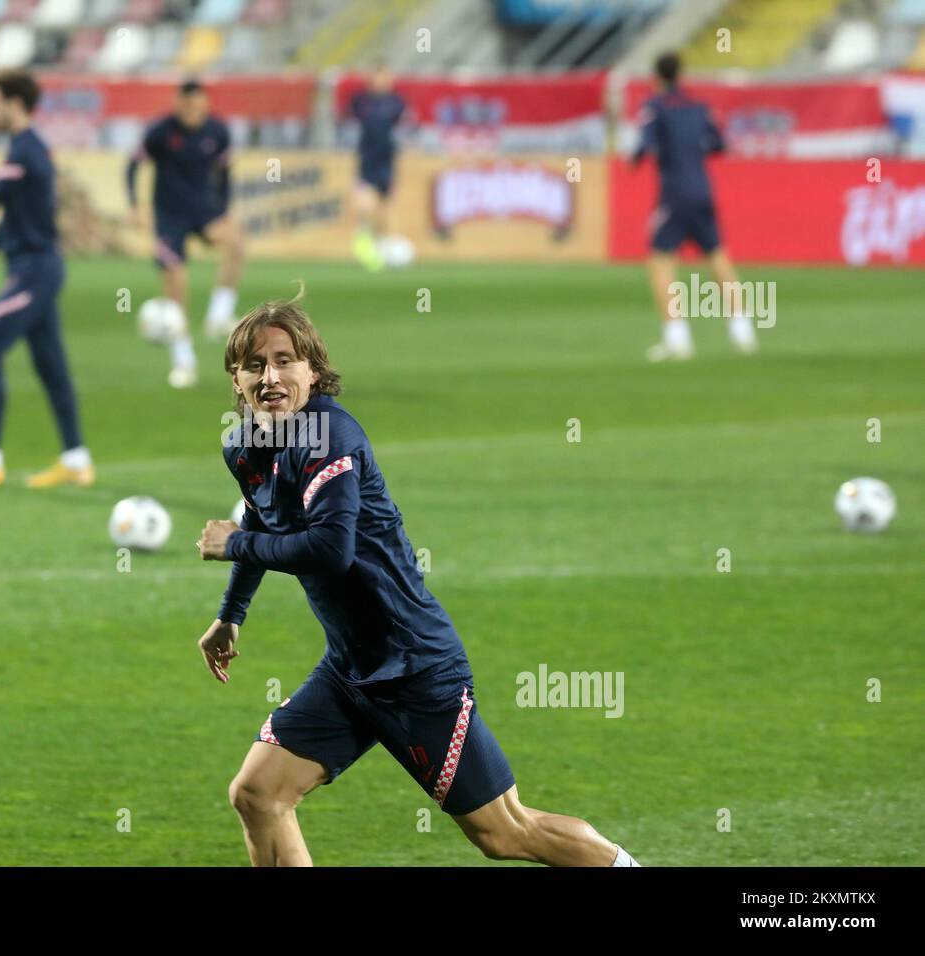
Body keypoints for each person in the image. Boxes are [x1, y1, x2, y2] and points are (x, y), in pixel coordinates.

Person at [194, 288, 640, 867]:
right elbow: (263, 513)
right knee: (257, 794)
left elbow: (332, 548)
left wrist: (234, 545)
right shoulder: (245, 444)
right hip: (350, 670)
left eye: (285, 360)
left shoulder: (331, 435)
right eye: (254, 365)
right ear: (236, 379)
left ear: (313, 370)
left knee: (504, 834)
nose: (271, 376)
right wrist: (231, 614)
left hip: (414, 665)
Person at [0, 69, 94, 490]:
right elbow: (10, 219)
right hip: (37, 268)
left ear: (14, 105)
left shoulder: (23, 152)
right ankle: (77, 460)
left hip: (33, 272)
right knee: (51, 367)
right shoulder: (29, 150)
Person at [634, 51, 757, 362]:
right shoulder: (700, 107)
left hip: (674, 193)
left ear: (657, 77)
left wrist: (635, 159)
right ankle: (743, 332)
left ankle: (677, 338)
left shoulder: (654, 108)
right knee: (718, 258)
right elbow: (719, 144)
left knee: (660, 261)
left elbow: (644, 147)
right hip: (703, 190)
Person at [126, 79, 244, 389]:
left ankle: (219, 316)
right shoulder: (161, 132)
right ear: (178, 103)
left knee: (236, 241)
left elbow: (226, 173)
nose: (192, 110)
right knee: (177, 284)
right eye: (186, 104)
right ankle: (184, 362)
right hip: (169, 217)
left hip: (204, 211)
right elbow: (132, 166)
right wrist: (134, 205)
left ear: (205, 104)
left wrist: (223, 208)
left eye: (197, 104)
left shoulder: (218, 132)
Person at [347, 64, 406, 272]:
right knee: (366, 205)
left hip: (386, 161)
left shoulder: (396, 102)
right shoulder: (361, 100)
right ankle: (363, 242)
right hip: (367, 161)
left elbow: (400, 127)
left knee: (383, 208)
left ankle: (381, 246)